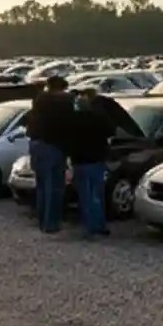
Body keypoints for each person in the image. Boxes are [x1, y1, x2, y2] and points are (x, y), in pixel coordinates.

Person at [26, 75, 74, 234]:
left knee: (42, 185)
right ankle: (51, 223)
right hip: (53, 146)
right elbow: (65, 126)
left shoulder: (39, 101)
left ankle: (42, 221)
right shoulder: (63, 102)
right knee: (54, 187)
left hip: (36, 144)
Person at [68, 87, 112, 239]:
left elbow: (68, 141)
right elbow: (110, 131)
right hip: (97, 159)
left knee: (85, 195)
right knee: (97, 194)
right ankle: (100, 224)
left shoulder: (73, 121)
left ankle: (90, 227)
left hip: (80, 161)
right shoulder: (99, 118)